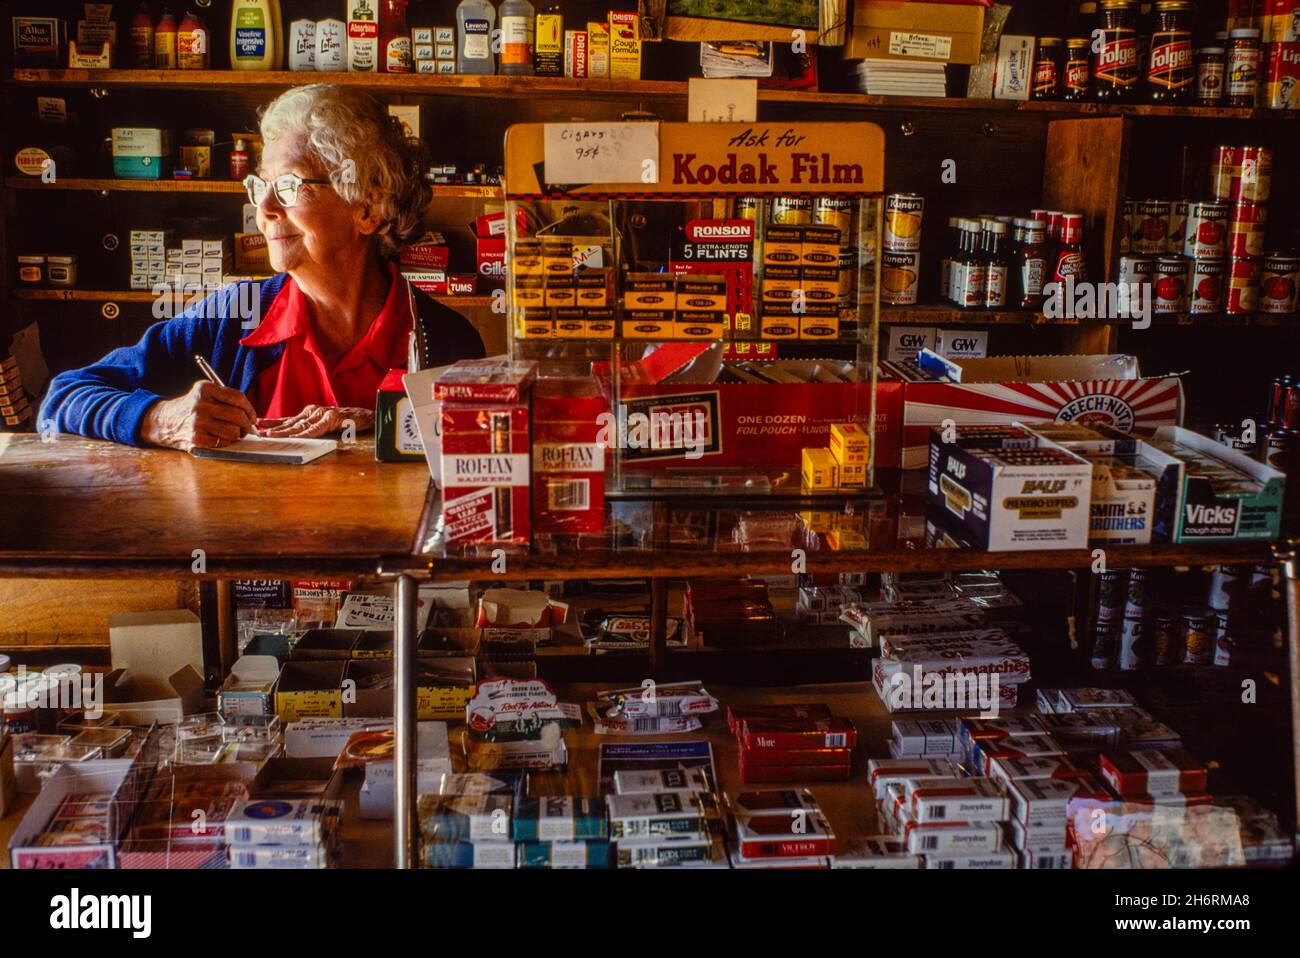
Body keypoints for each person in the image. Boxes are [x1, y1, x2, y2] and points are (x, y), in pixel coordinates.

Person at [37, 83, 484, 450]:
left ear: (367, 208)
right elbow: (62, 398)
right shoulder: (231, 317)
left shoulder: (445, 341)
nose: (264, 208)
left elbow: (473, 469)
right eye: (260, 186)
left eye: (289, 186)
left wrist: (386, 425)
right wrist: (158, 418)